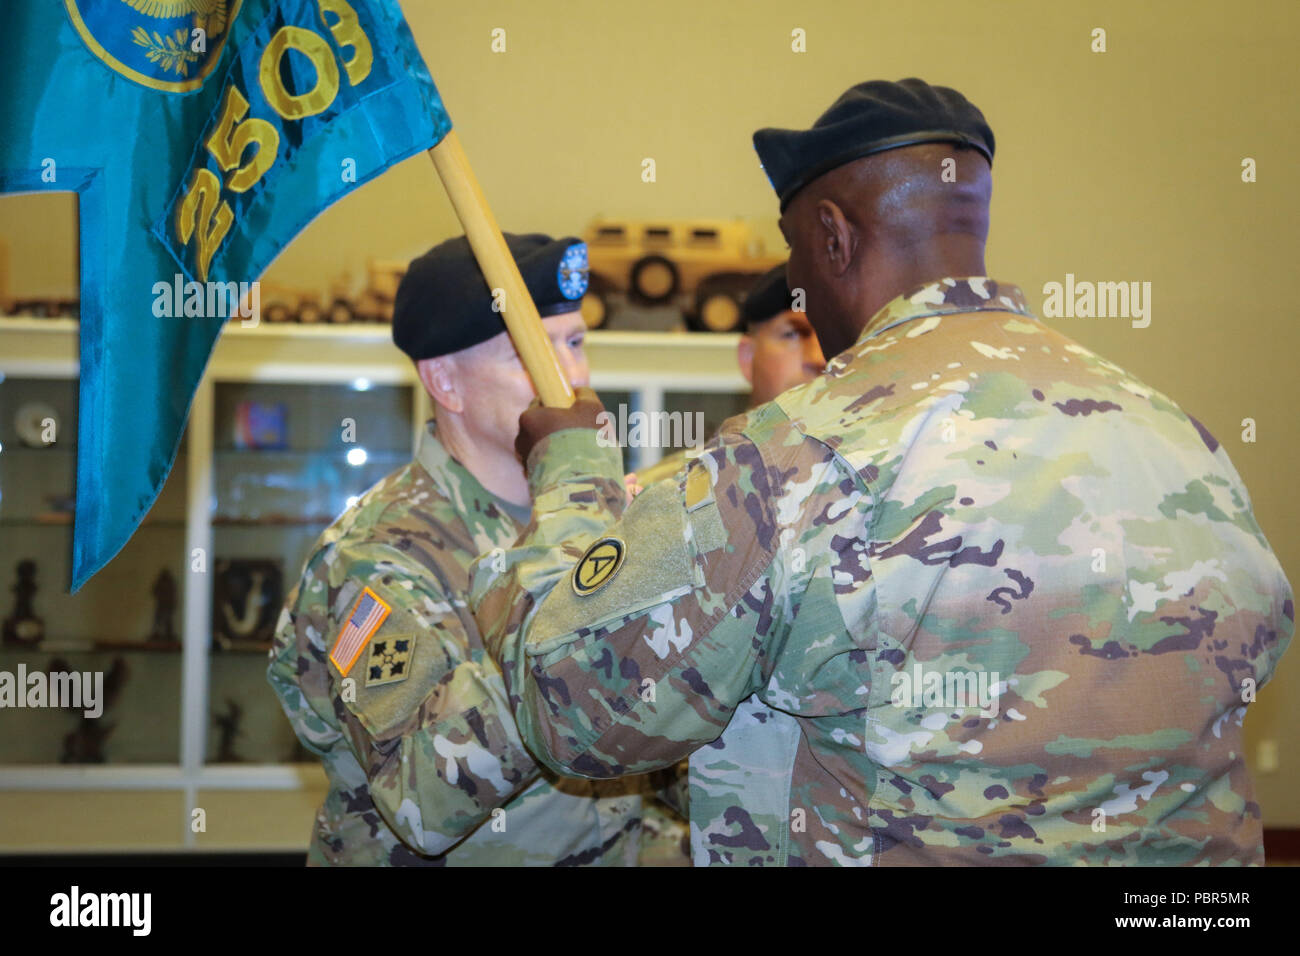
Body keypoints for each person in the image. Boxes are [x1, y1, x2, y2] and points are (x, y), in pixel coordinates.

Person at [470, 79, 1294, 866]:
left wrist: (571, 478)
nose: (797, 288)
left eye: (796, 255)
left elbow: (572, 710)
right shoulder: (1172, 433)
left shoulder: (789, 459)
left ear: (832, 236)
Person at [268, 233, 650, 866]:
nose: (571, 378)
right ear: (445, 380)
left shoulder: (590, 523)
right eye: (529, 353)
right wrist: (581, 582)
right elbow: (425, 798)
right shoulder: (373, 559)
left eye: (576, 342)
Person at [633, 265, 826, 486]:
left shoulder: (867, 486)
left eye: (833, 338)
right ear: (748, 357)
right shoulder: (669, 488)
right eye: (792, 334)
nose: (819, 358)